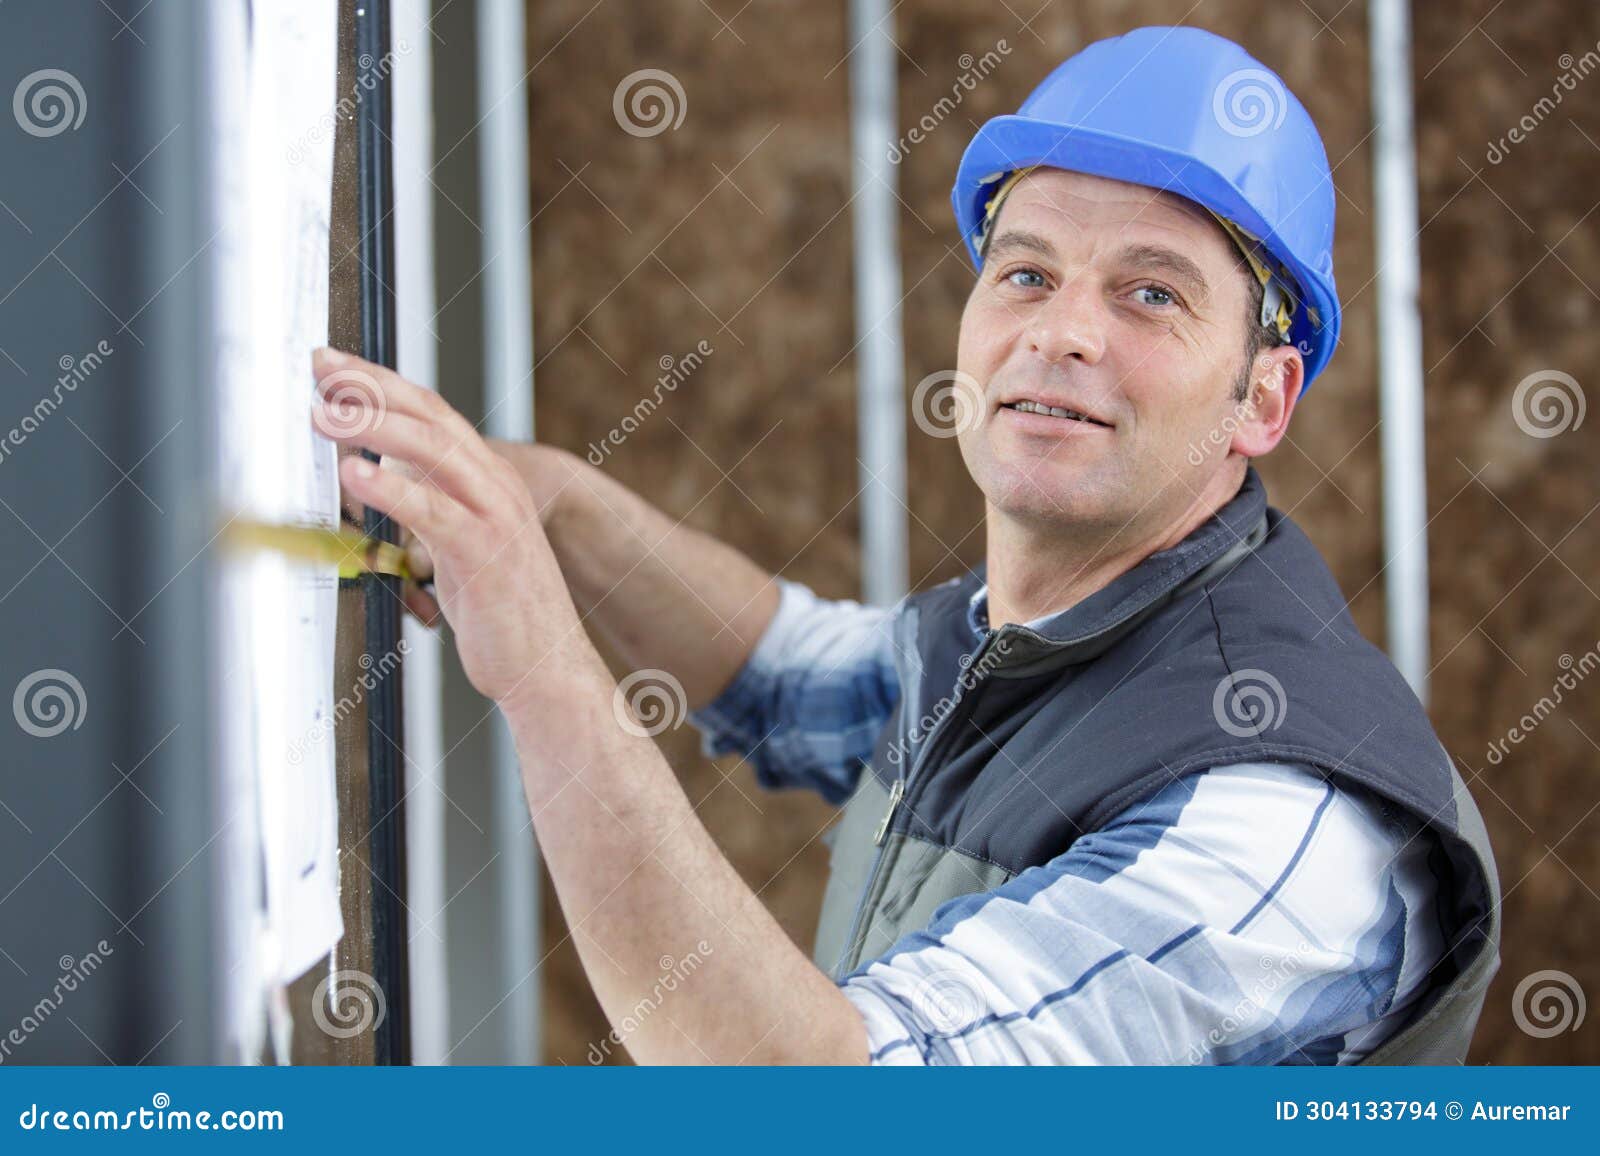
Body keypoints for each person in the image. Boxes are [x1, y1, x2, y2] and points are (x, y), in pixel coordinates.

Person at [314, 26, 1499, 1064]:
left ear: (1262, 399)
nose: (1063, 332)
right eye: (1026, 271)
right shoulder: (1018, 643)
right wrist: (559, 511)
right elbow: (776, 670)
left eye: (1150, 295)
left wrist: (538, 669)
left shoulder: (1269, 814)